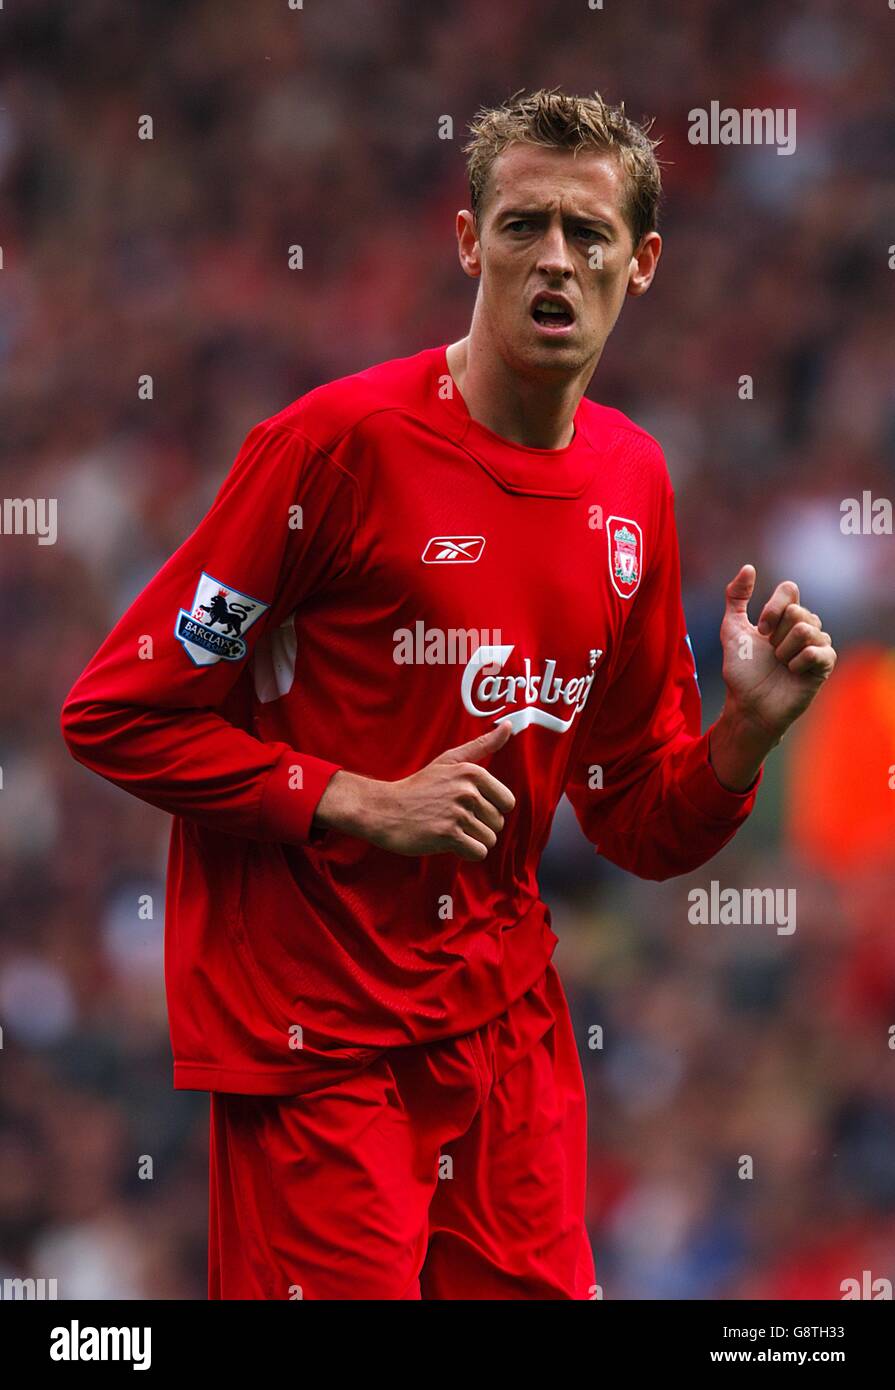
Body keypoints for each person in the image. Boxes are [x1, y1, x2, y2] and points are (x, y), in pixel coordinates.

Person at [60, 88, 836, 1300]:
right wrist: (351, 799)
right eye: (524, 225)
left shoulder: (632, 481)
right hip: (318, 1039)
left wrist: (741, 733)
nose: (556, 260)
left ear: (643, 264)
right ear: (468, 241)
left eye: (588, 235)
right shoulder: (334, 451)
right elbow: (115, 711)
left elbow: (634, 818)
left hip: (503, 1029)